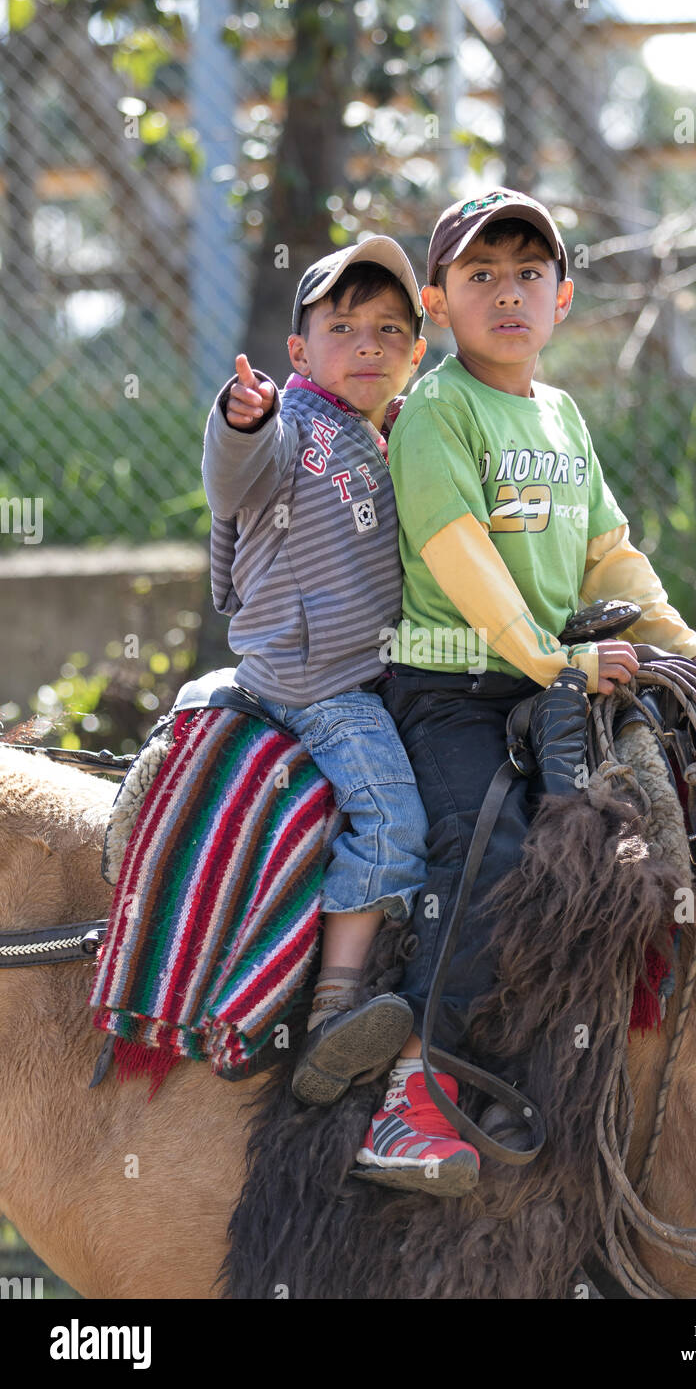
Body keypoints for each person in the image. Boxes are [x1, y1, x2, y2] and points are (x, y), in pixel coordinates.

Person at [345, 188, 696, 1196]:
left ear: (562, 298)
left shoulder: (559, 415)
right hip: (453, 685)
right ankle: (412, 1095)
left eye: (528, 273)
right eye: (479, 275)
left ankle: (585, 1076)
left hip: (548, 681)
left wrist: (689, 651)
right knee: (485, 856)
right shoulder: (438, 410)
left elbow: (607, 554)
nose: (507, 293)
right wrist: (556, 662)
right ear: (436, 302)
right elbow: (460, 555)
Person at [201, 237, 430, 1106]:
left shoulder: (384, 435)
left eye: (388, 330)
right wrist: (241, 416)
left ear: (415, 352)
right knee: (394, 819)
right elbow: (233, 474)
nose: (367, 344)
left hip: (354, 669)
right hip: (318, 685)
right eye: (343, 327)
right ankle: (337, 999)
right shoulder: (291, 424)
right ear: (298, 353)